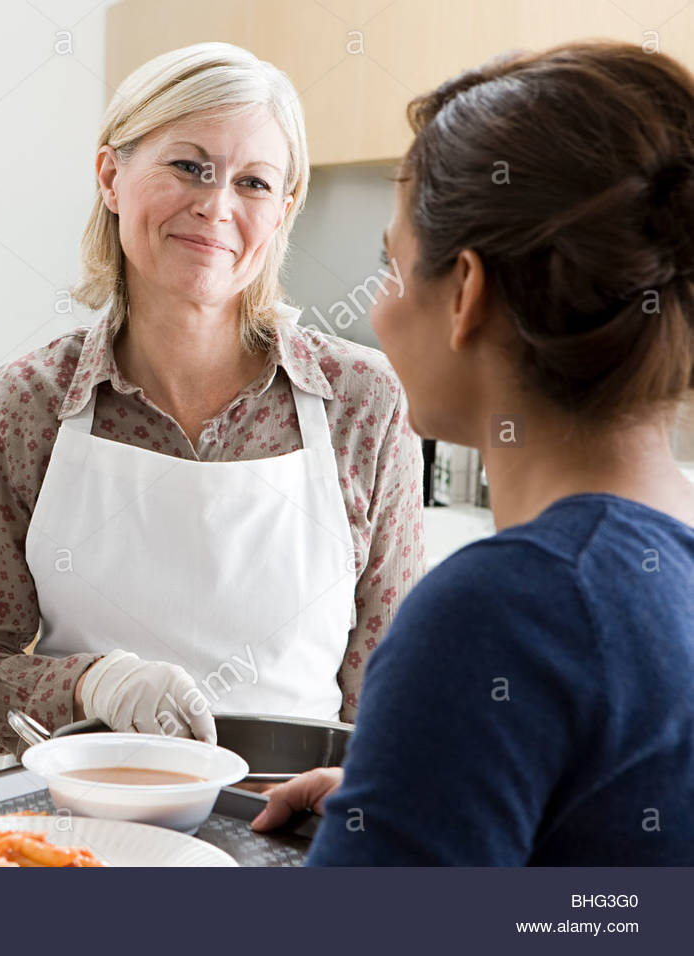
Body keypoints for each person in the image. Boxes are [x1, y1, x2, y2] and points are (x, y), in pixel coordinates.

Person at [254, 41, 694, 864]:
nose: (378, 312)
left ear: (464, 293)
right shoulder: (667, 566)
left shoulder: (497, 615)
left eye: (391, 265)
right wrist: (411, 793)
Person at [0, 43, 424, 756]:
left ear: (283, 211)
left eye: (253, 183)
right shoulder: (30, 404)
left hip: (292, 835)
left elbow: (394, 698)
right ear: (110, 175)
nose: (216, 206)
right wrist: (92, 686)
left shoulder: (362, 403)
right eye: (189, 167)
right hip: (89, 836)